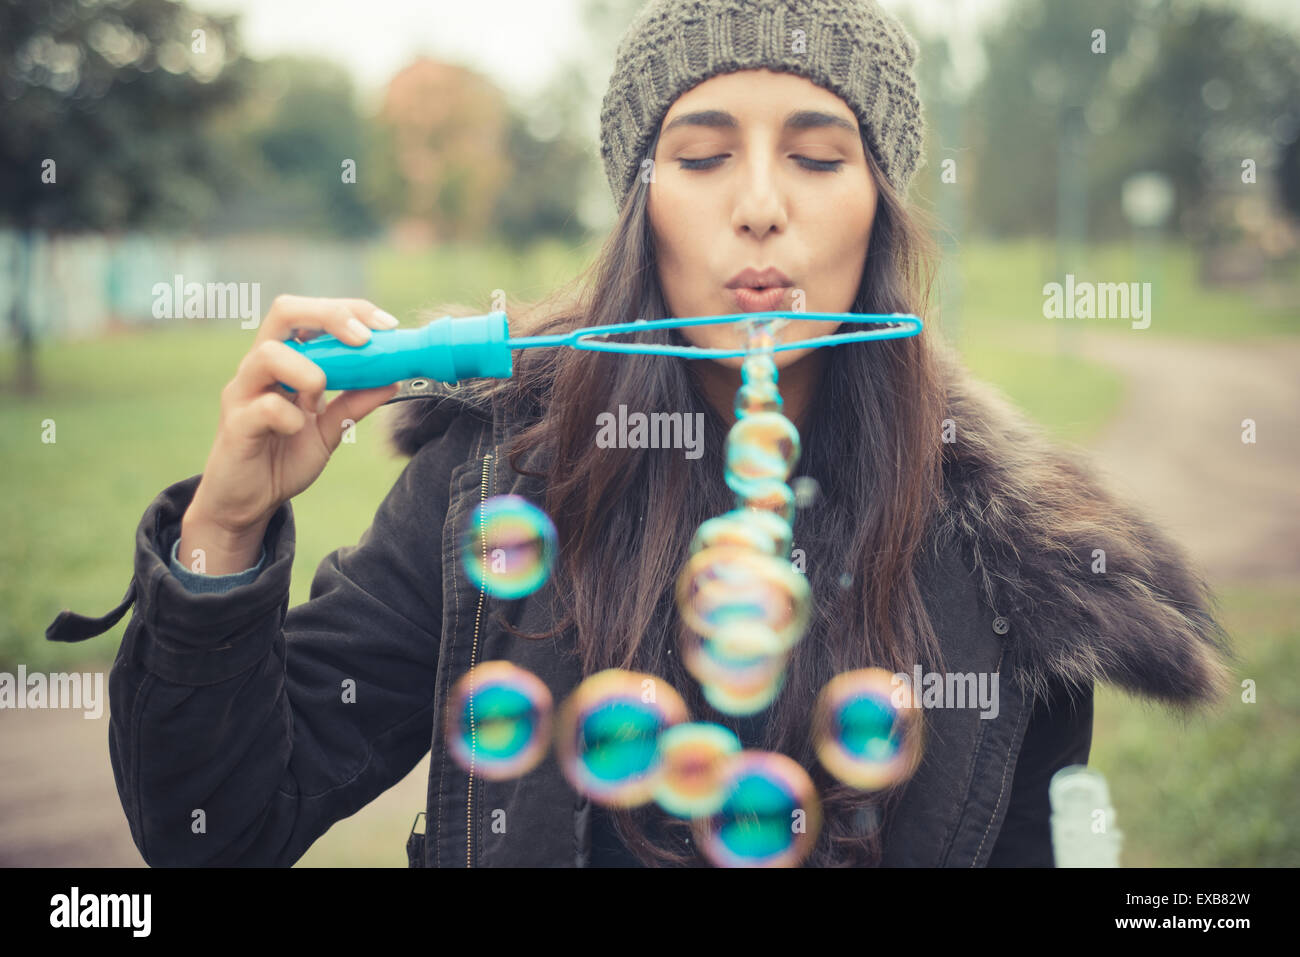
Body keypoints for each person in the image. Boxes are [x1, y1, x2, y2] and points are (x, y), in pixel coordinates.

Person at [47, 0, 1233, 868]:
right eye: (703, 154)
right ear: (639, 208)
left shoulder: (1017, 573)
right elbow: (216, 831)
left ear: (879, 212)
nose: (759, 202)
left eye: (819, 156)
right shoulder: (492, 482)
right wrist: (227, 526)